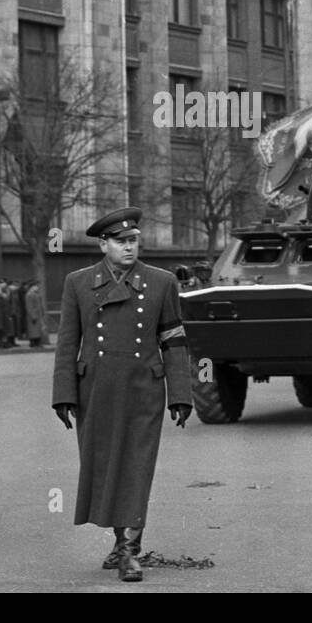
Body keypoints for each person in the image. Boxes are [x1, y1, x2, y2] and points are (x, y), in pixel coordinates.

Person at [52, 207, 194, 582]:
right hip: (94, 390)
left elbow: (174, 341)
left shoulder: (162, 282)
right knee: (103, 465)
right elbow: (68, 343)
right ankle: (120, 539)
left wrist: (180, 393)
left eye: (133, 240)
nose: (130, 248)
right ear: (104, 244)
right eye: (121, 241)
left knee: (135, 466)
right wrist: (63, 394)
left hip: (143, 389)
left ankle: (130, 550)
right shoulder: (78, 283)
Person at [25, 278, 44, 347]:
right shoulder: (29, 294)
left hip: (37, 314)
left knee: (36, 330)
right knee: (33, 330)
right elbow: (29, 306)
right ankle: (34, 343)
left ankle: (37, 342)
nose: (37, 287)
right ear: (32, 286)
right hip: (33, 315)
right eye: (36, 286)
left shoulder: (34, 294)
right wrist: (33, 316)